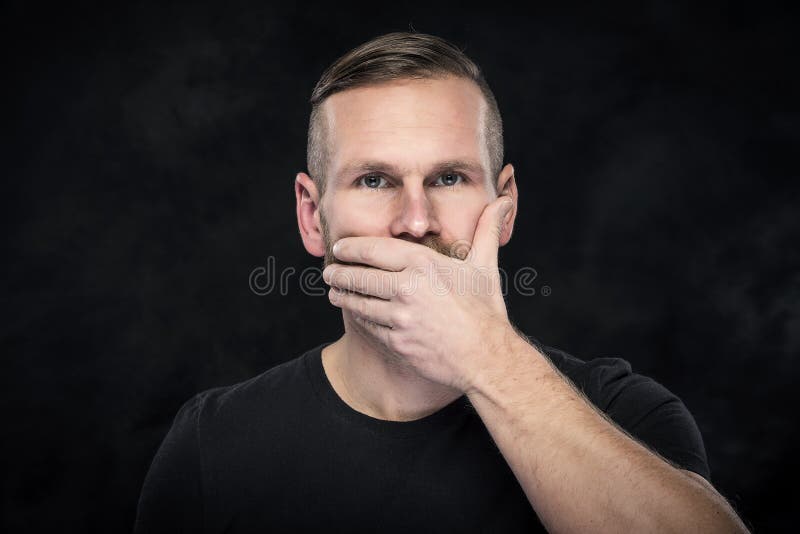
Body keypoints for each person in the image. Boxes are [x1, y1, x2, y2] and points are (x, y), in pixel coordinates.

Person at [135, 31, 748, 533]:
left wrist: (486, 357)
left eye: (449, 178)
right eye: (374, 180)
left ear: (504, 206)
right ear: (311, 217)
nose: (416, 221)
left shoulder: (625, 414)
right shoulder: (213, 446)